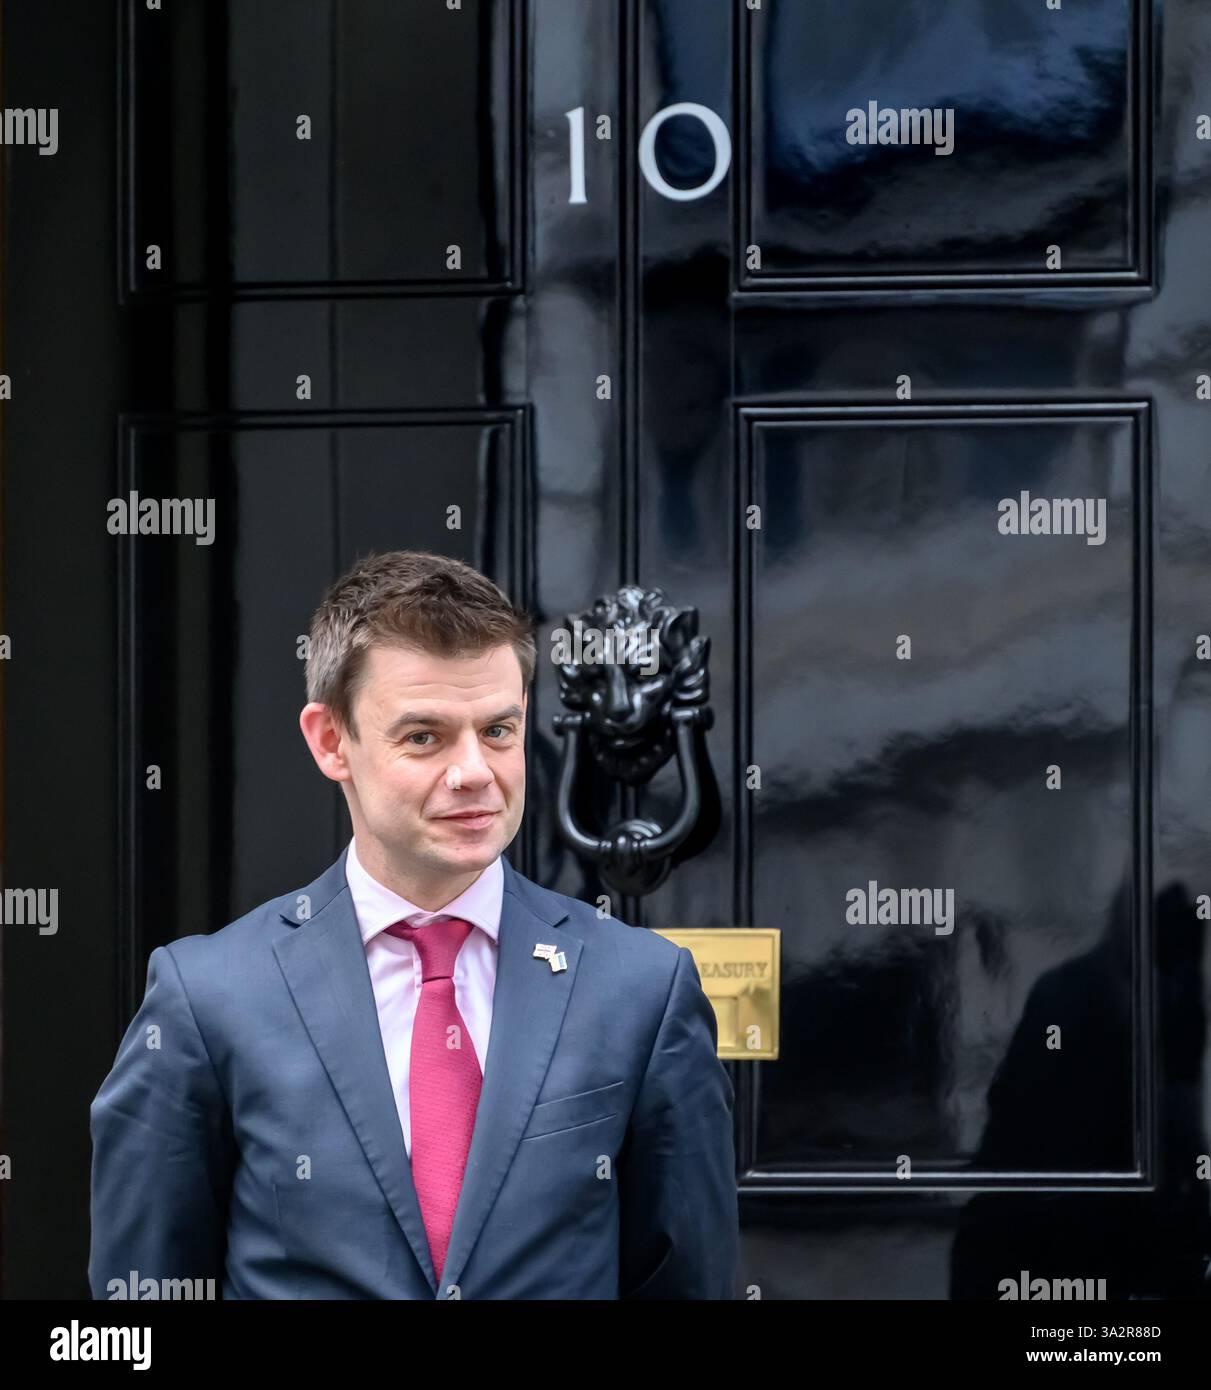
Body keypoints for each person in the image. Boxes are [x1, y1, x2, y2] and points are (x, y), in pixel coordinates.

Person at [88, 549, 738, 1299]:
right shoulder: (207, 998)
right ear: (331, 741)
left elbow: (689, 1279)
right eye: (424, 737)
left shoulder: (642, 989)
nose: (474, 772)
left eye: (497, 731)